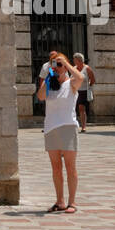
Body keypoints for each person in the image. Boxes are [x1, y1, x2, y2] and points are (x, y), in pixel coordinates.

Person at [37, 50, 84, 214]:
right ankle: (60, 201)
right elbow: (41, 96)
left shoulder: (71, 83)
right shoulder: (50, 84)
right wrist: (49, 76)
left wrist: (66, 64)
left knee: (70, 166)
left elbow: (81, 78)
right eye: (54, 64)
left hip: (68, 127)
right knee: (56, 167)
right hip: (51, 128)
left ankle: (72, 202)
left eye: (59, 65)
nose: (57, 67)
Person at [73, 53, 96, 131]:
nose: (73, 61)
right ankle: (74, 125)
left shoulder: (87, 69)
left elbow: (93, 80)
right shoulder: (74, 68)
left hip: (84, 92)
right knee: (76, 109)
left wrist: (88, 86)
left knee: (81, 108)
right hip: (75, 91)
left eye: (75, 59)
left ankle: (83, 127)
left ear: (79, 60)